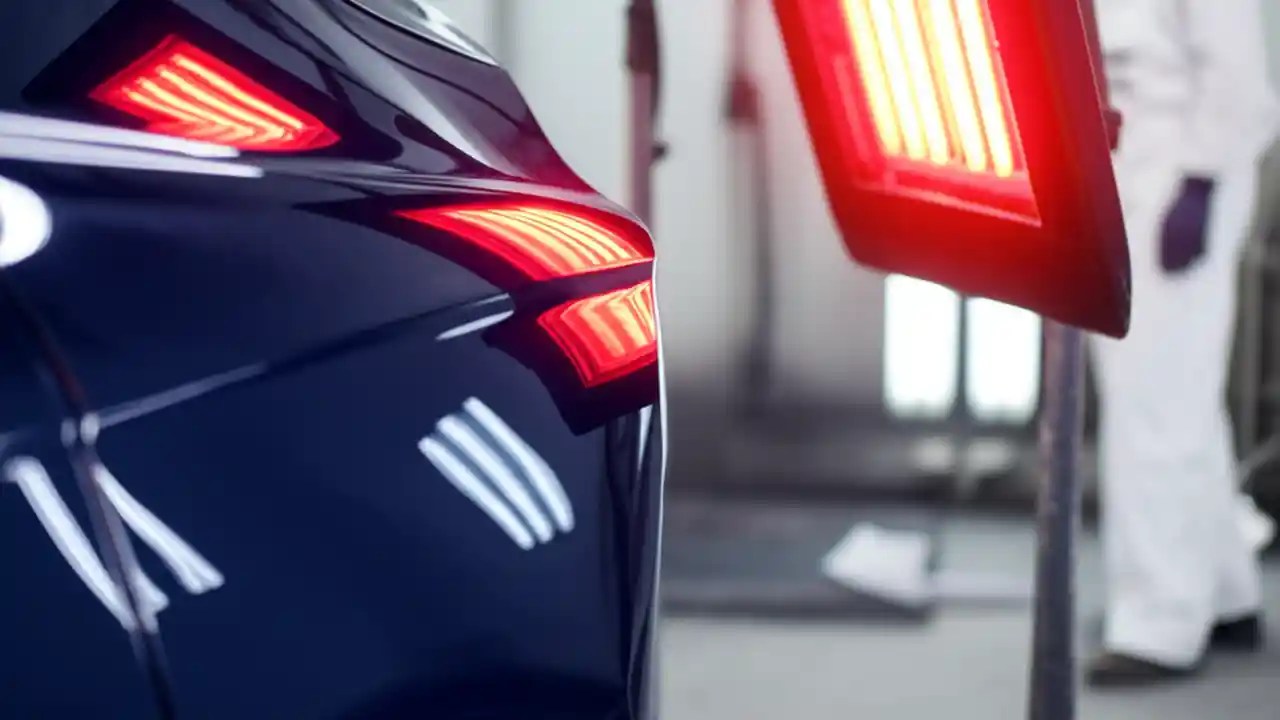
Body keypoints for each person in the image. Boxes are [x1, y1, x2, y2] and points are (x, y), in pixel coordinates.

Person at [1089, 0, 1280, 686]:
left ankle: (1159, 622)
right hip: (1122, 160)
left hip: (1180, 165)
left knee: (1154, 400)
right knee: (1173, 392)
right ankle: (1228, 591)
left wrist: (1198, 184)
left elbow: (1240, 79)